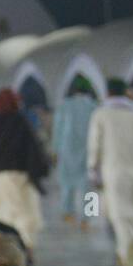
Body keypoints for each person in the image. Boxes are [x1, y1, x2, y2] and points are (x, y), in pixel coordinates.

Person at [87, 77, 133, 266]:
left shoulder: (101, 114)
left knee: (121, 217)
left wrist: (93, 171)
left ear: (108, 93)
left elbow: (94, 145)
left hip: (115, 172)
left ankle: (129, 259)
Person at [0, 88, 48, 248]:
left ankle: (6, 249)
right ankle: (26, 248)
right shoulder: (21, 121)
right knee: (24, 214)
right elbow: (33, 149)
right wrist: (40, 170)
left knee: (3, 213)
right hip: (21, 176)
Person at [50, 75, 97, 230]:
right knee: (88, 185)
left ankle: (67, 212)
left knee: (66, 182)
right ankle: (87, 218)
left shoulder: (64, 106)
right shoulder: (94, 106)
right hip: (89, 151)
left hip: (67, 150)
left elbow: (57, 130)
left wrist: (55, 150)